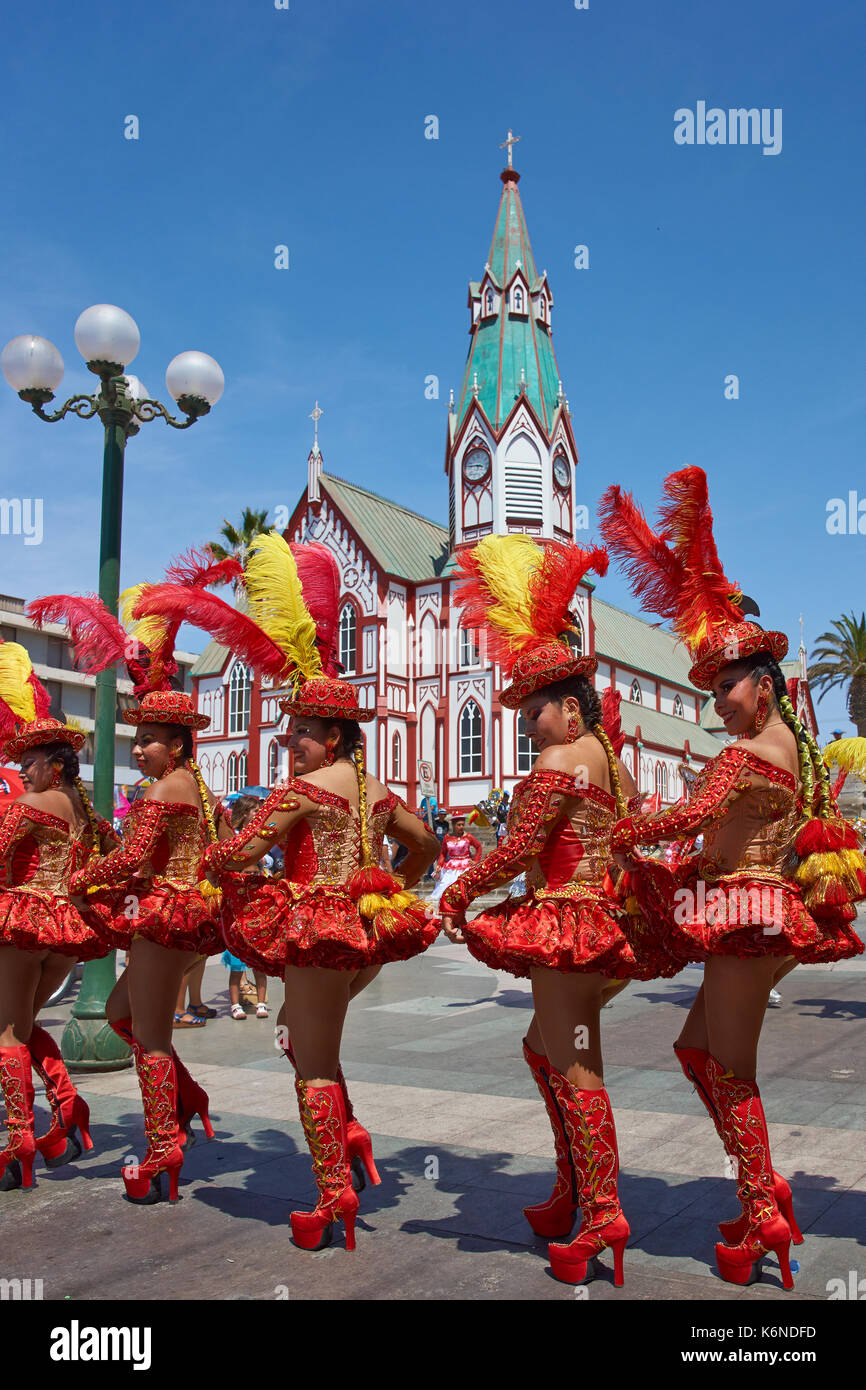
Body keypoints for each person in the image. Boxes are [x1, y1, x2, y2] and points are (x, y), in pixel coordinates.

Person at [599, 466, 866, 1288]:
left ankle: (762, 1214)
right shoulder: (787, 750)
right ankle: (763, 1195)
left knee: (729, 1067)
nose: (717, 703)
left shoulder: (749, 751)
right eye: (712, 690)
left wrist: (620, 829)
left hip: (745, 912)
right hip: (757, 907)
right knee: (695, 1050)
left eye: (725, 688)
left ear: (764, 686)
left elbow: (686, 817)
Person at [139, 534, 441, 1250]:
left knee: (308, 1063)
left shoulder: (303, 791)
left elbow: (237, 853)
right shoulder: (375, 788)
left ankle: (332, 1194)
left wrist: (213, 862)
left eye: (302, 732)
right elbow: (426, 844)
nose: (290, 741)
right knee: (307, 1041)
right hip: (363, 937)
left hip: (314, 935)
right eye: (291, 730)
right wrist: (391, 886)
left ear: (331, 737)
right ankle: (352, 1143)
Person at [439, 535, 679, 1286]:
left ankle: (603, 1210)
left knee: (575, 1064)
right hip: (595, 920)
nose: (526, 724)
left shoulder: (554, 762)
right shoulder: (608, 756)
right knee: (545, 1050)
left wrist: (460, 890)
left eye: (535, 711)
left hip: (565, 927)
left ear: (569, 711)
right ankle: (575, 1188)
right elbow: (628, 828)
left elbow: (519, 851)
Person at [31, 550, 239, 1204]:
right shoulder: (195, 787)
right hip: (184, 921)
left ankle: (162, 1150)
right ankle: (187, 1100)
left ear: (174, 743)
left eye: (147, 738)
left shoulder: (163, 790)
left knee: (146, 1034)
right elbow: (215, 850)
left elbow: (130, 860)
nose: (138, 747)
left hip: (160, 923)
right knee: (126, 1017)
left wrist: (76, 881)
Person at [0, 644, 118, 1190]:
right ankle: (66, 1109)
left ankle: (18, 1138)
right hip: (64, 932)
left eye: (29, 763)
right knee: (22, 1025)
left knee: (8, 1032)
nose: (23, 771)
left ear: (53, 764)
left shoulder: (32, 804)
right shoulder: (87, 811)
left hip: (23, 923)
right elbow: (114, 856)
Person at [222, 795, 271, 1020]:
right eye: (254, 811)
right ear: (244, 813)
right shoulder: (236, 836)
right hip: (238, 897)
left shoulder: (260, 834)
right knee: (237, 959)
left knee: (256, 955)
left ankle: (258, 1001)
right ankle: (238, 1002)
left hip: (256, 897)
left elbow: (266, 861)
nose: (257, 814)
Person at [430, 815, 482, 906]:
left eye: (462, 825)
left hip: (465, 866)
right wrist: (439, 865)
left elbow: (479, 847)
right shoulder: (447, 837)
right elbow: (443, 853)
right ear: (453, 825)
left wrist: (476, 861)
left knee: (464, 888)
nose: (461, 827)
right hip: (451, 866)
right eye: (459, 825)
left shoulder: (468, 836)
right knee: (444, 886)